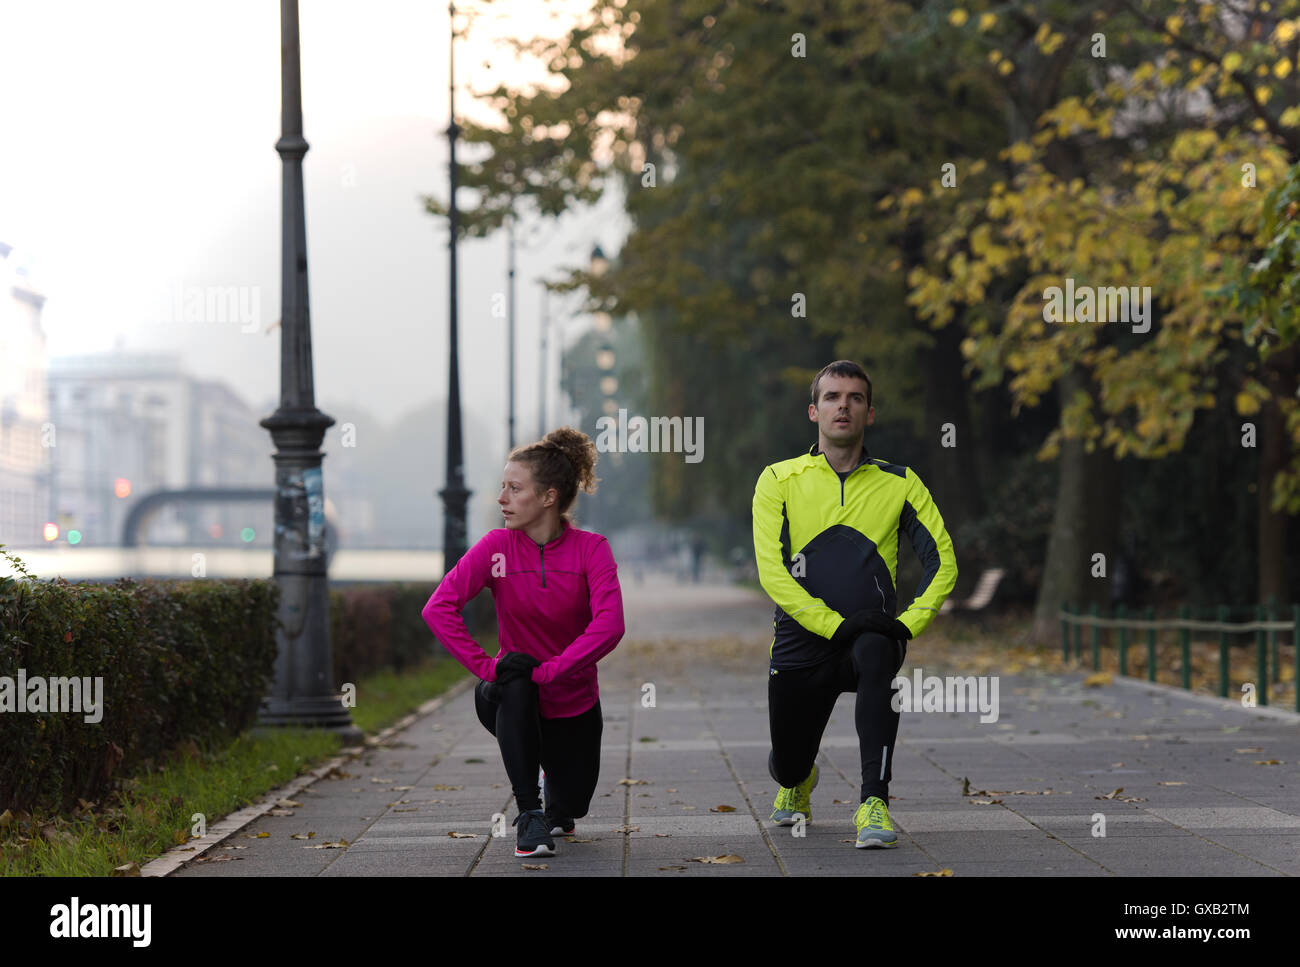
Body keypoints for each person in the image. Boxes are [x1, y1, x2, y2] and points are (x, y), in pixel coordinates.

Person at [752, 360, 957, 848]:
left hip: (868, 636)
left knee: (877, 651)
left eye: (855, 398)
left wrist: (905, 625)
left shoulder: (901, 483)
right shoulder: (778, 479)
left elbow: (943, 562)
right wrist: (832, 626)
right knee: (786, 761)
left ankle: (873, 802)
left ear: (869, 413)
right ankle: (798, 782)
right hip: (801, 640)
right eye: (832, 397)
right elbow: (772, 572)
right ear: (813, 411)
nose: (843, 405)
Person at [421, 427, 625, 858]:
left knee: (573, 806)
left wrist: (551, 671)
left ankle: (555, 796)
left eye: (514, 489)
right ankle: (529, 814)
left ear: (549, 497)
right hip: (509, 695)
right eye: (502, 487)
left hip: (575, 704)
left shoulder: (592, 550)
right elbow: (438, 608)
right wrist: (487, 668)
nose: (501, 499)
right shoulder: (497, 547)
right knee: (516, 677)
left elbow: (610, 625)